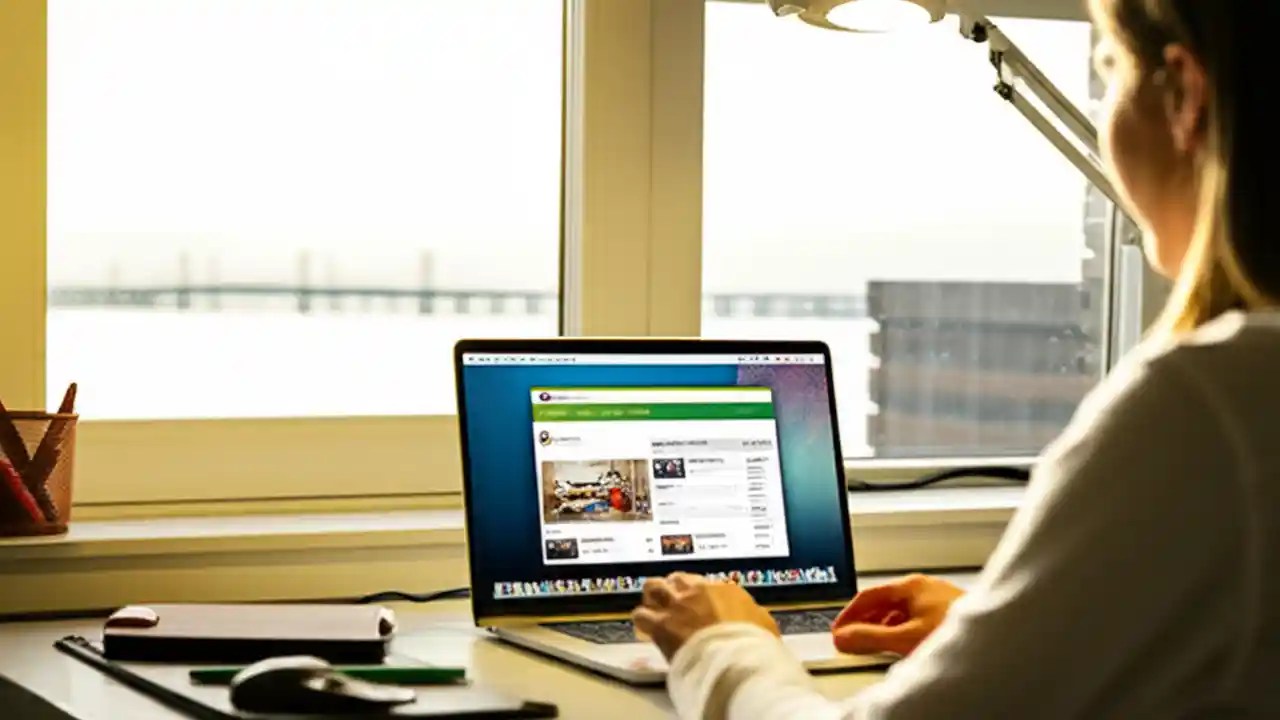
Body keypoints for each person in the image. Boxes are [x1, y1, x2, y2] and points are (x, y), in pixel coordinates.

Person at [633, 1, 1280, 717]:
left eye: (1110, 72)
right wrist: (1007, 627)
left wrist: (718, 644)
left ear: (1185, 97)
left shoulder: (1206, 404)